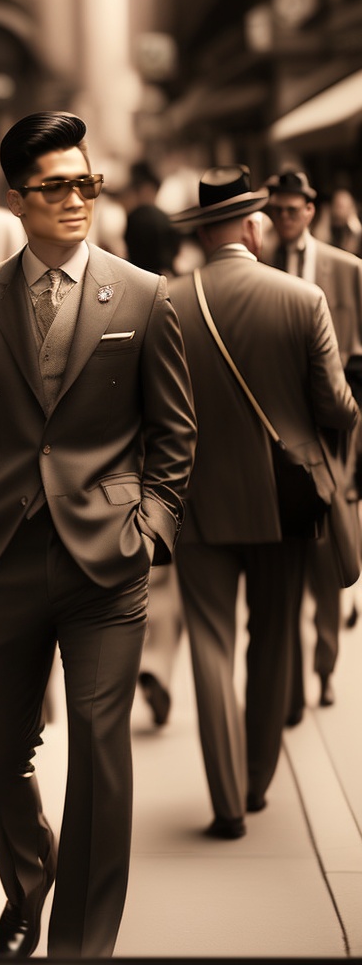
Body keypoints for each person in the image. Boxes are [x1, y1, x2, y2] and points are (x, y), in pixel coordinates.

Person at [0, 111, 196, 958]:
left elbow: (174, 433)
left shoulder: (144, 295)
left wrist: (153, 525)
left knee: (103, 760)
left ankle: (80, 946)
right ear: (17, 198)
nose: (76, 199)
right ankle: (31, 876)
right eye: (57, 186)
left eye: (87, 183)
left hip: (107, 563)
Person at [167, 167, 358, 840]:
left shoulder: (166, 302)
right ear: (253, 225)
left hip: (196, 500)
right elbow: (336, 405)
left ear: (204, 230)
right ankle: (255, 780)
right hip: (286, 499)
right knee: (274, 640)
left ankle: (224, 801)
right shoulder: (303, 298)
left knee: (211, 648)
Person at [261, 170, 362, 720]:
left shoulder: (348, 272)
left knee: (330, 566)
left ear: (311, 209)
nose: (285, 218)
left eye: (293, 209)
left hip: (338, 440)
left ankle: (324, 667)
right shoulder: (261, 269)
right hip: (280, 438)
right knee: (287, 571)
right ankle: (294, 685)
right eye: (276, 211)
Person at [124, 202, 185, 726]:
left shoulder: (120, 291)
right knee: (186, 585)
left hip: (136, 458)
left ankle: (150, 664)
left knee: (152, 578)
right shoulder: (185, 293)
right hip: (192, 459)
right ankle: (163, 667)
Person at [313, 184, 362, 256]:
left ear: (351, 208)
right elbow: (320, 243)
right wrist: (325, 216)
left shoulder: (353, 229)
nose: (340, 210)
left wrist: (354, 224)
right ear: (332, 206)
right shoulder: (327, 222)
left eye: (344, 206)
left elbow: (351, 252)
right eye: (338, 205)